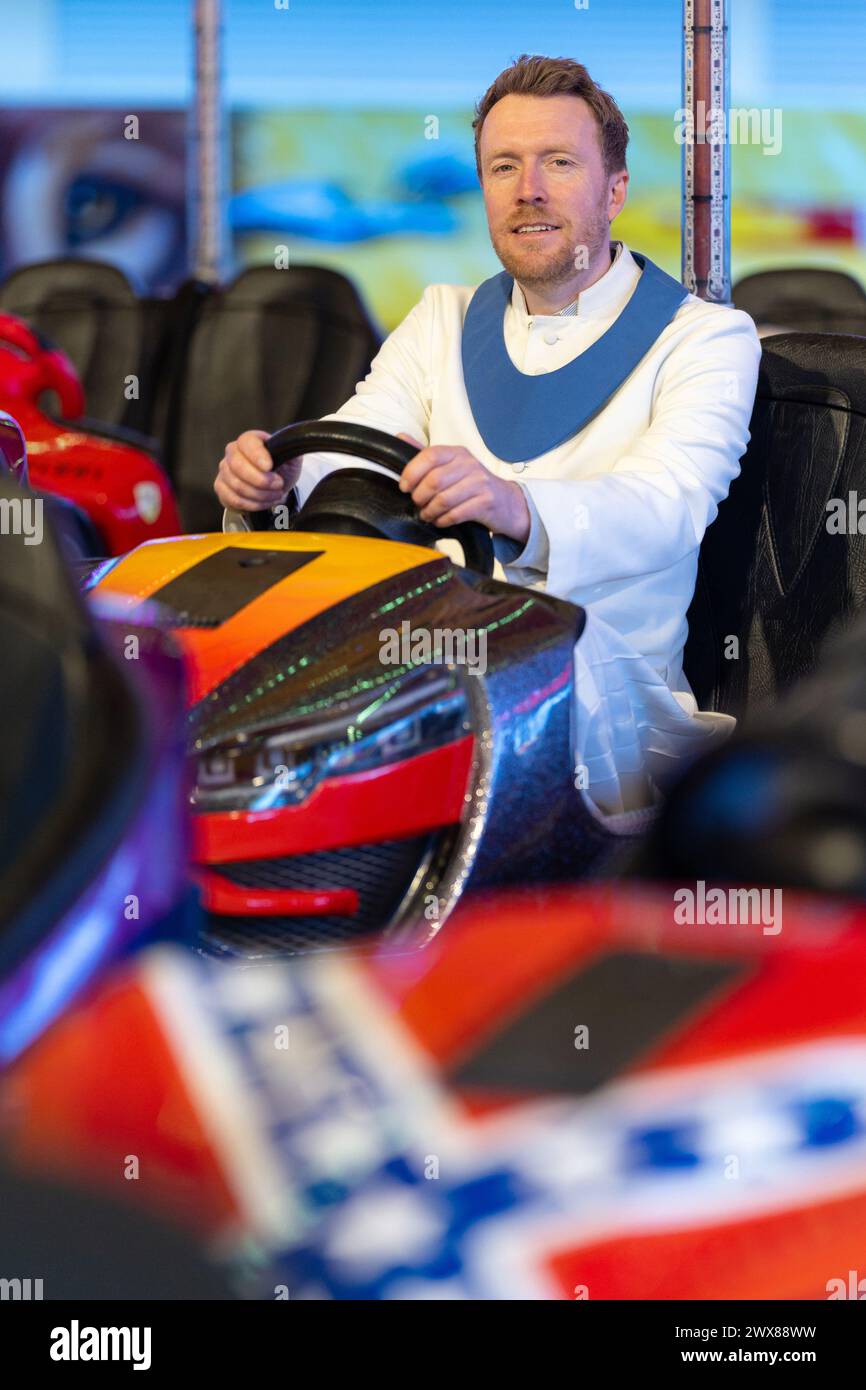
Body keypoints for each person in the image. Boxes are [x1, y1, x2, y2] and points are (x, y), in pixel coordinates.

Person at [214, 54, 761, 823]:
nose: (528, 188)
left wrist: (517, 506)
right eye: (504, 166)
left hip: (604, 699)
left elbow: (665, 503)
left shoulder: (704, 338)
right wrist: (277, 476)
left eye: (558, 163)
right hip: (427, 671)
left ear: (616, 188)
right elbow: (353, 445)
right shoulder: (441, 317)